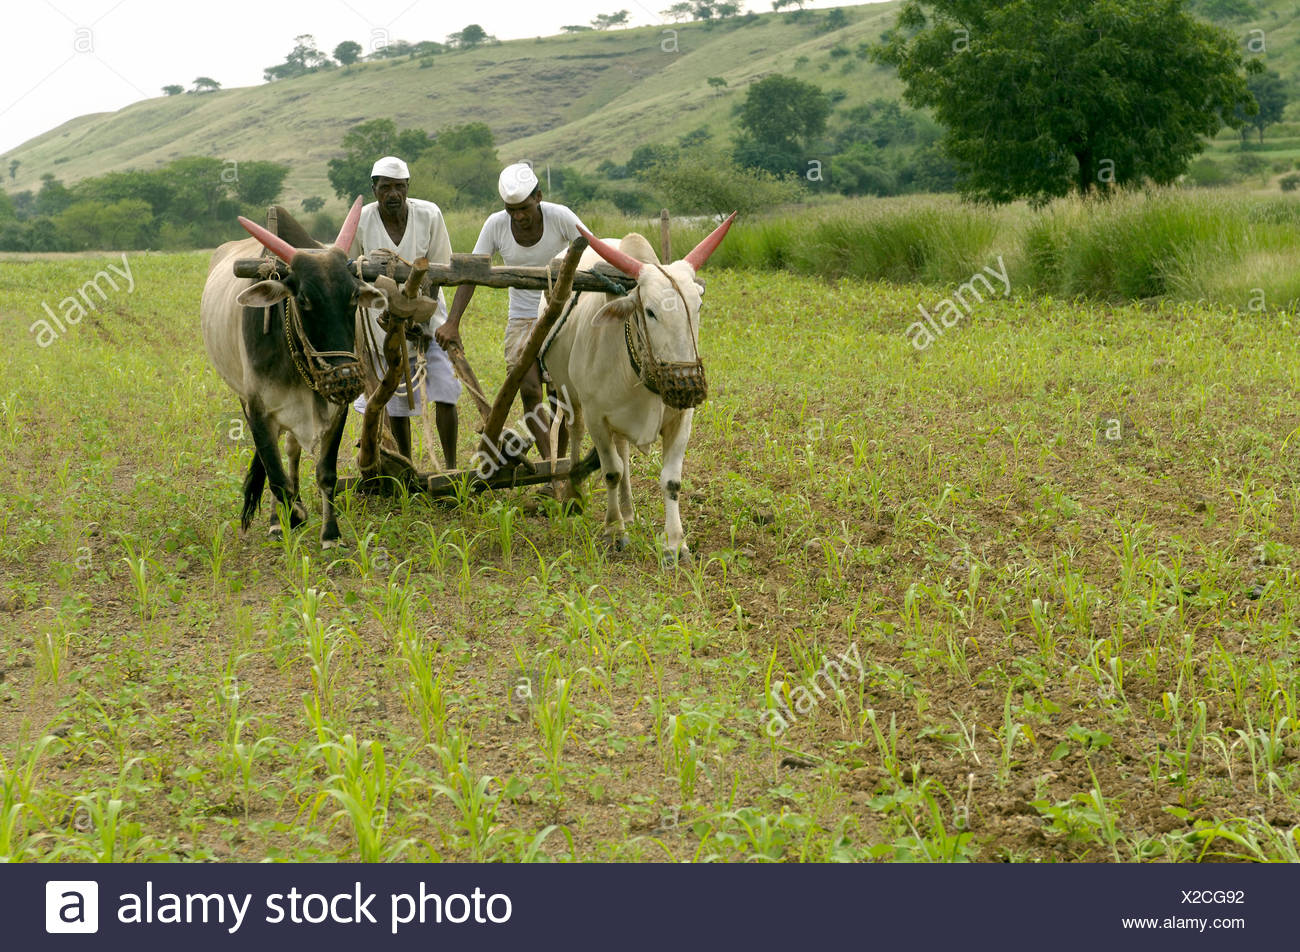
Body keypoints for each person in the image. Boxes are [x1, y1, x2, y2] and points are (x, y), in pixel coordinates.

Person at [436, 162, 586, 461]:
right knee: (529, 391)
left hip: (562, 318)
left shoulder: (561, 218)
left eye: (524, 208)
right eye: (511, 209)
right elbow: (472, 272)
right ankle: (551, 466)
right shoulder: (495, 225)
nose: (518, 216)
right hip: (522, 319)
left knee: (560, 399)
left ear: (538, 198)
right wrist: (452, 322)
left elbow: (593, 250)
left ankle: (557, 463)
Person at [351, 156, 460, 469]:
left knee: (445, 390)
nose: (393, 194)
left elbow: (441, 269)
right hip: (380, 324)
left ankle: (450, 467)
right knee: (396, 399)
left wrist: (422, 314)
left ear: (408, 188)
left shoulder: (429, 214)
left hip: (428, 322)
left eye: (399, 187)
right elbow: (350, 269)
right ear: (375, 190)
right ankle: (406, 465)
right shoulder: (361, 219)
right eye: (386, 188)